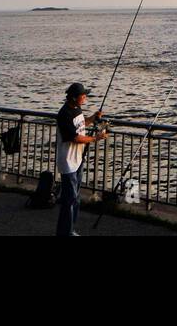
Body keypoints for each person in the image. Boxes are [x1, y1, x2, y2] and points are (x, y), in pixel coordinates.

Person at [55, 82, 106, 237]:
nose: (85, 97)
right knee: (69, 200)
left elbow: (82, 124)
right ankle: (65, 232)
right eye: (83, 95)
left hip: (78, 160)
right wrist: (95, 138)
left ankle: (71, 230)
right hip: (68, 162)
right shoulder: (64, 114)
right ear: (74, 97)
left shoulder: (77, 109)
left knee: (76, 199)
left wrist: (93, 118)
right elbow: (75, 137)